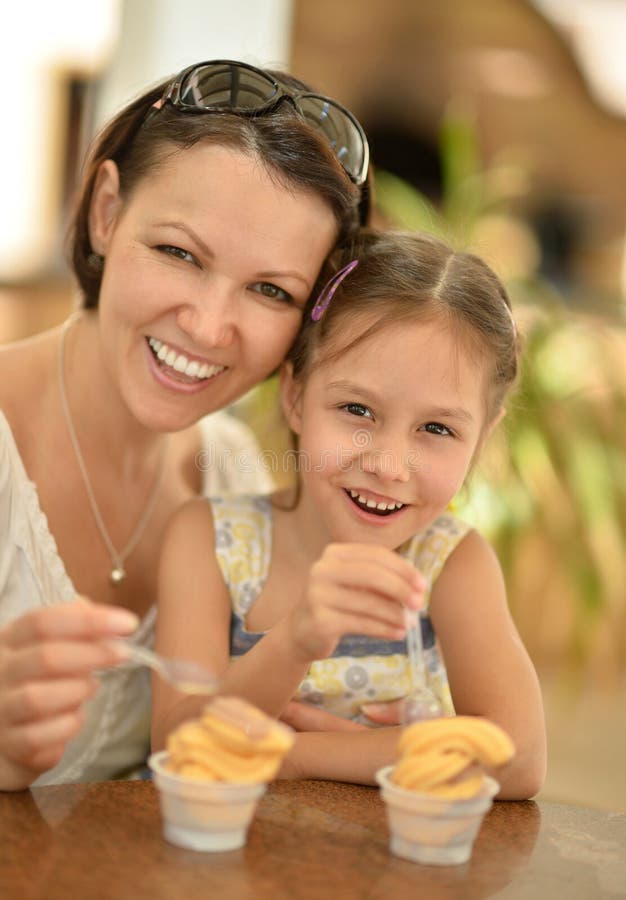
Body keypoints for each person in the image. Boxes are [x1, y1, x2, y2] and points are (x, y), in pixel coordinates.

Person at [0, 59, 370, 791]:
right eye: (178, 252)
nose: (207, 325)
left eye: (271, 290)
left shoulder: (232, 474)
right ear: (107, 213)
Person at [152, 230, 547, 800]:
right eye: (356, 409)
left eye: (437, 429)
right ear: (295, 397)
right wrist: (295, 640)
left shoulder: (452, 566)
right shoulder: (210, 540)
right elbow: (173, 744)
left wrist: (295, 756)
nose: (388, 465)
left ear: (482, 437)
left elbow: (519, 757)